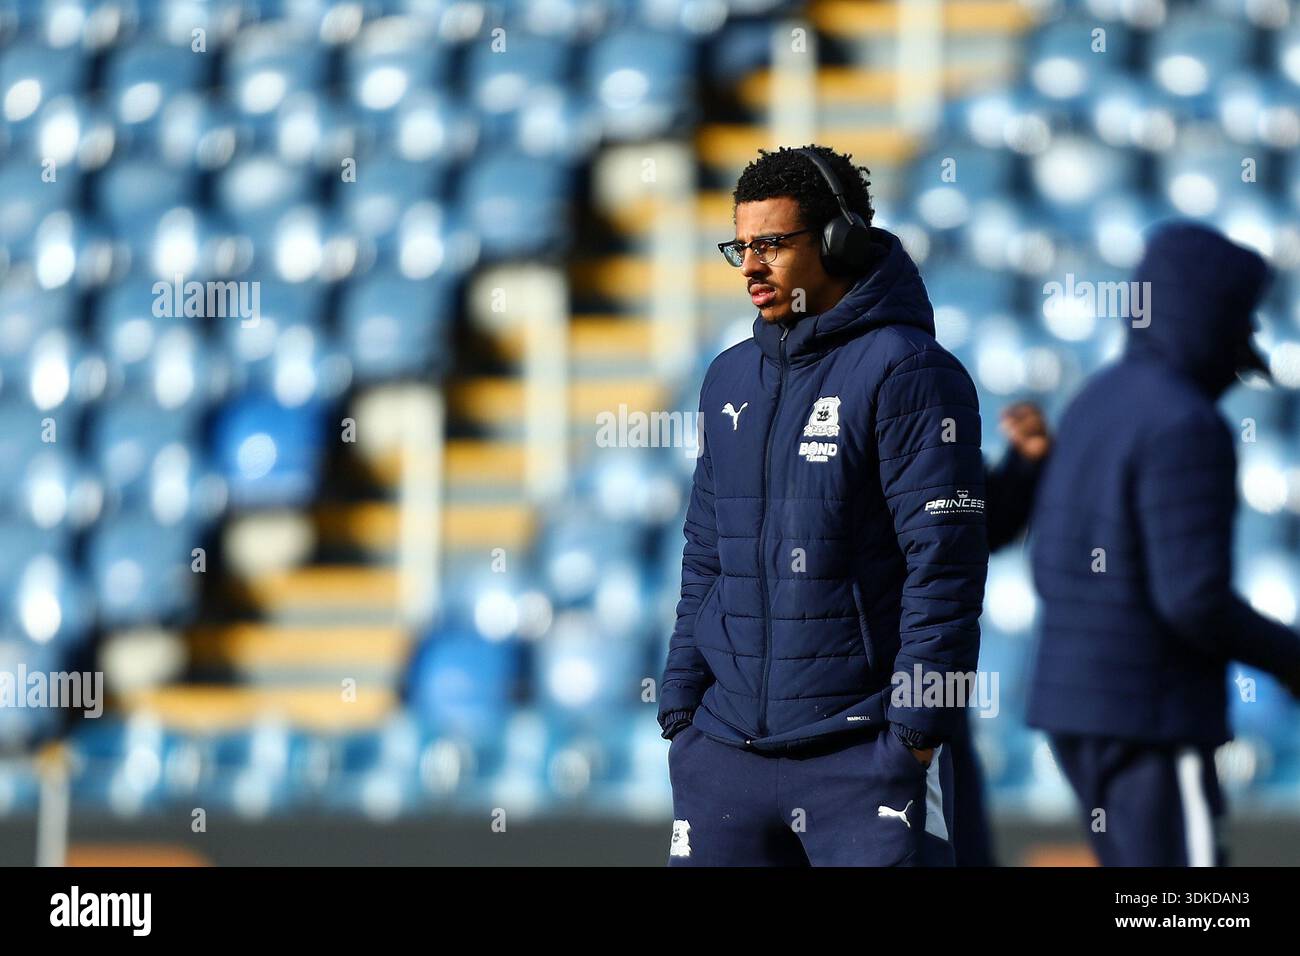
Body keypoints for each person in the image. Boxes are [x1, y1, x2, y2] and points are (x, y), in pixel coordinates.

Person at [658, 145, 988, 866]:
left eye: (771, 244)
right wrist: (681, 705)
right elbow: (708, 552)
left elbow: (947, 565)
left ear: (839, 241)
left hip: (866, 759)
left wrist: (916, 732)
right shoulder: (728, 377)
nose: (750, 266)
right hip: (722, 756)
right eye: (740, 246)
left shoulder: (909, 370)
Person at [1027, 221, 1300, 866]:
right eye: (1240, 315)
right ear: (1209, 313)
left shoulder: (1094, 400)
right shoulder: (1185, 423)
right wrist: (1290, 660)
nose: (1251, 334)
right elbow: (1192, 598)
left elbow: (1048, 560)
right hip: (1150, 715)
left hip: (1077, 707)